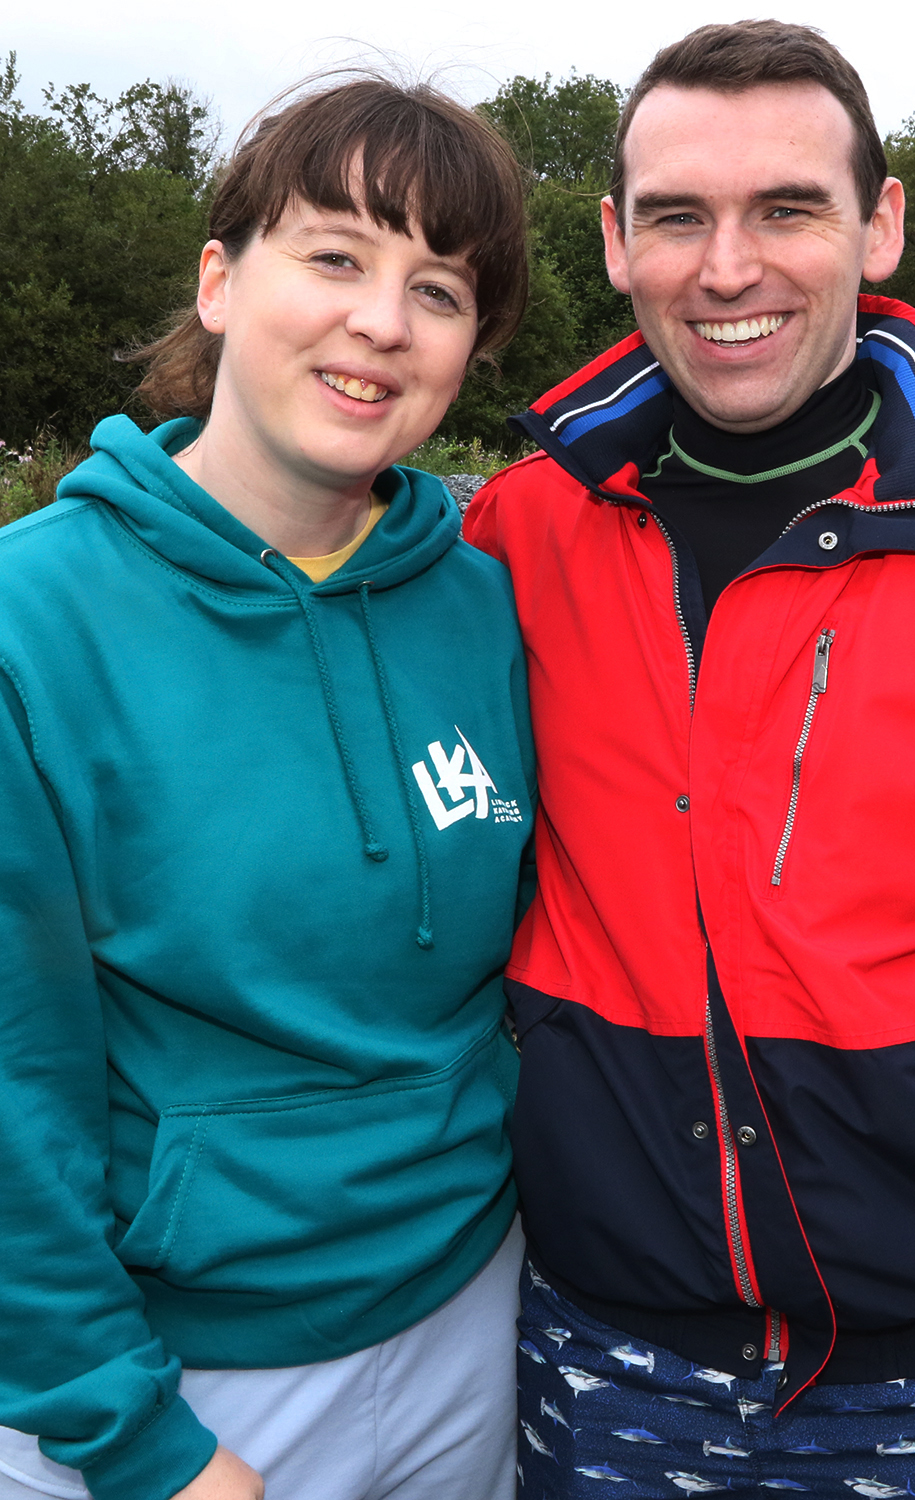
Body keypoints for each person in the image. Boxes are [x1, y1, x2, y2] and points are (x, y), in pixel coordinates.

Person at [463, 20, 915, 1500]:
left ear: (881, 224)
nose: (728, 268)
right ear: (616, 244)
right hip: (604, 1358)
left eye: (787, 208)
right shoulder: (516, 536)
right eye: (679, 217)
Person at [0, 76, 534, 1500]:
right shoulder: (31, 624)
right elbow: (11, 1088)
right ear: (223, 281)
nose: (380, 322)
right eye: (336, 257)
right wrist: (140, 1439)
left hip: (470, 1317)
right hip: (172, 1383)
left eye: (439, 289)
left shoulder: (490, 607)